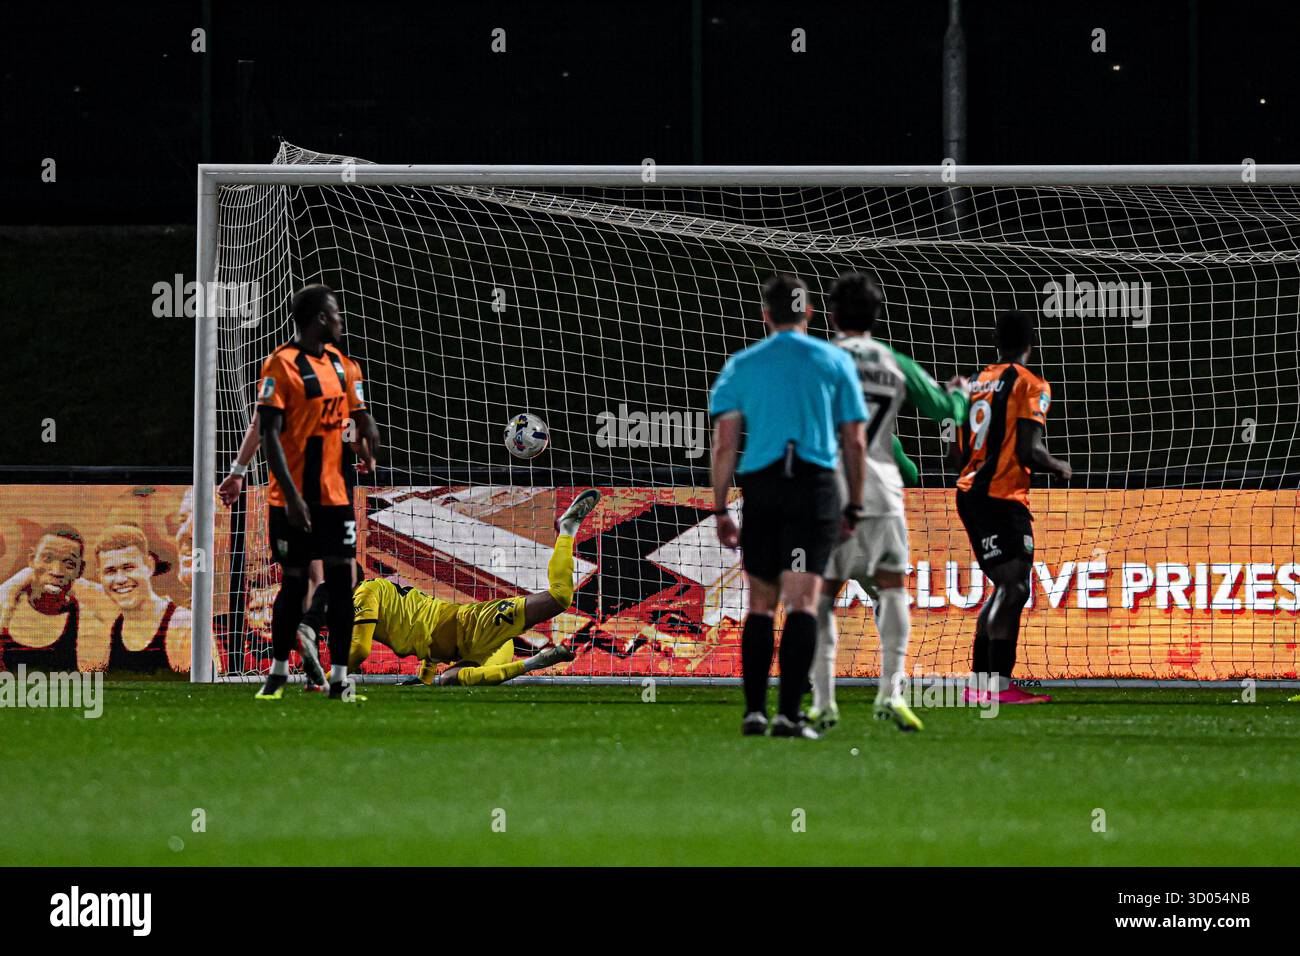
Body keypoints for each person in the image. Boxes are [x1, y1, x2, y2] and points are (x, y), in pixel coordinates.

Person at [710, 273, 868, 739]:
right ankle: (789, 716)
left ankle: (754, 712)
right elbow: (854, 441)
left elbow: (725, 445)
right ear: (810, 313)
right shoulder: (834, 361)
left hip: (764, 489)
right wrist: (854, 504)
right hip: (811, 489)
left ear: (766, 314)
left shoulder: (742, 365)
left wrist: (720, 509)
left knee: (760, 604)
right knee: (803, 601)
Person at [813, 272, 969, 732]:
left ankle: (823, 703)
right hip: (881, 490)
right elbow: (944, 409)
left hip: (827, 491)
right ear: (876, 316)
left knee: (820, 597)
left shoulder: (820, 361)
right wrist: (959, 393)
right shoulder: (892, 360)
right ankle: (891, 693)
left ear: (834, 315)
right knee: (893, 589)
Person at [294, 490, 601, 694]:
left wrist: (330, 675)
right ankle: (537, 662)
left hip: (474, 625)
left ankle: (566, 530)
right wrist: (425, 676)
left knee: (560, 597)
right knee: (449, 680)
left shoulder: (363, 594)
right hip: (472, 648)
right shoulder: (377, 592)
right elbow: (426, 625)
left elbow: (360, 651)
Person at [253, 283, 380, 701]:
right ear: (320, 318)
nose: (342, 321)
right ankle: (276, 673)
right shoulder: (281, 366)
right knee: (292, 584)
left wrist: (368, 439)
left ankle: (340, 678)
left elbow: (359, 418)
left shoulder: (347, 367)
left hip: (337, 497)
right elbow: (268, 434)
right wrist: (290, 495)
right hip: (291, 498)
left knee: (342, 583)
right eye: (336, 313)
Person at [954, 310, 1071, 705]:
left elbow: (956, 449)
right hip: (1000, 497)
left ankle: (981, 683)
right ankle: (994, 686)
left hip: (971, 492)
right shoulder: (1031, 384)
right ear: (1030, 343)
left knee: (1006, 587)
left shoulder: (974, 383)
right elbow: (1029, 450)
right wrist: (1058, 466)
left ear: (997, 341)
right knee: (1014, 586)